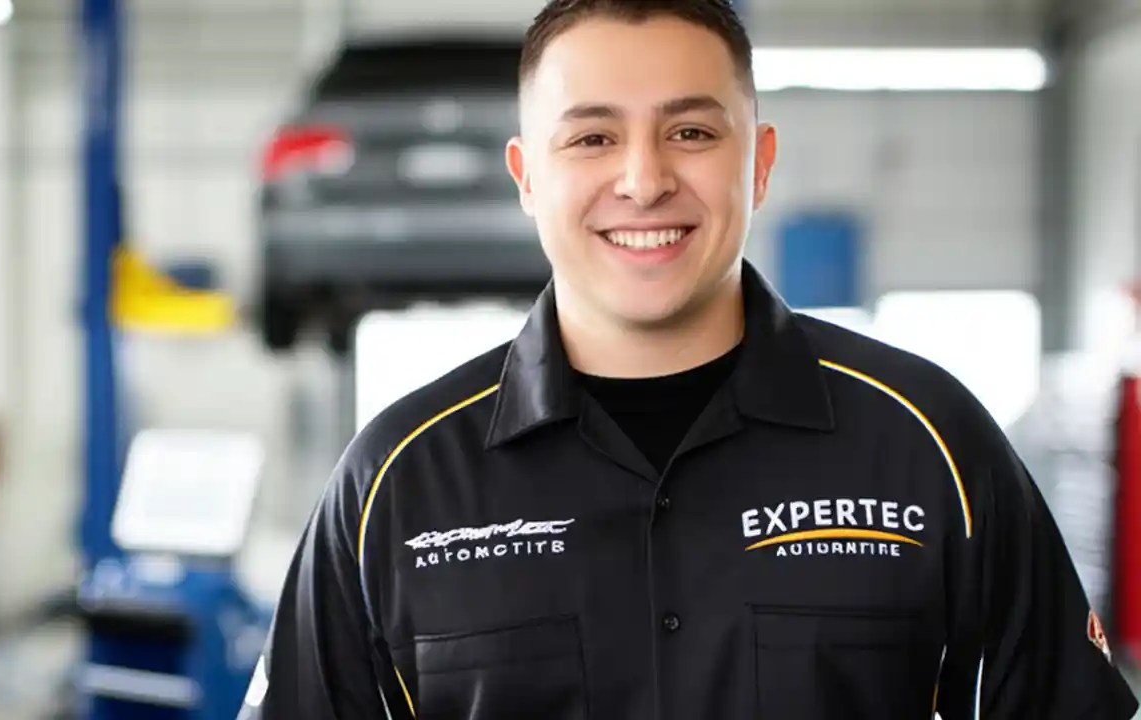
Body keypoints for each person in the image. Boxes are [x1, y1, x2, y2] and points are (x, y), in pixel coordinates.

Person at [239, 1, 1140, 717]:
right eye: (592, 137)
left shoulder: (927, 444)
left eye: (692, 133)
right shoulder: (398, 484)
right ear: (525, 176)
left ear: (759, 163)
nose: (643, 179)